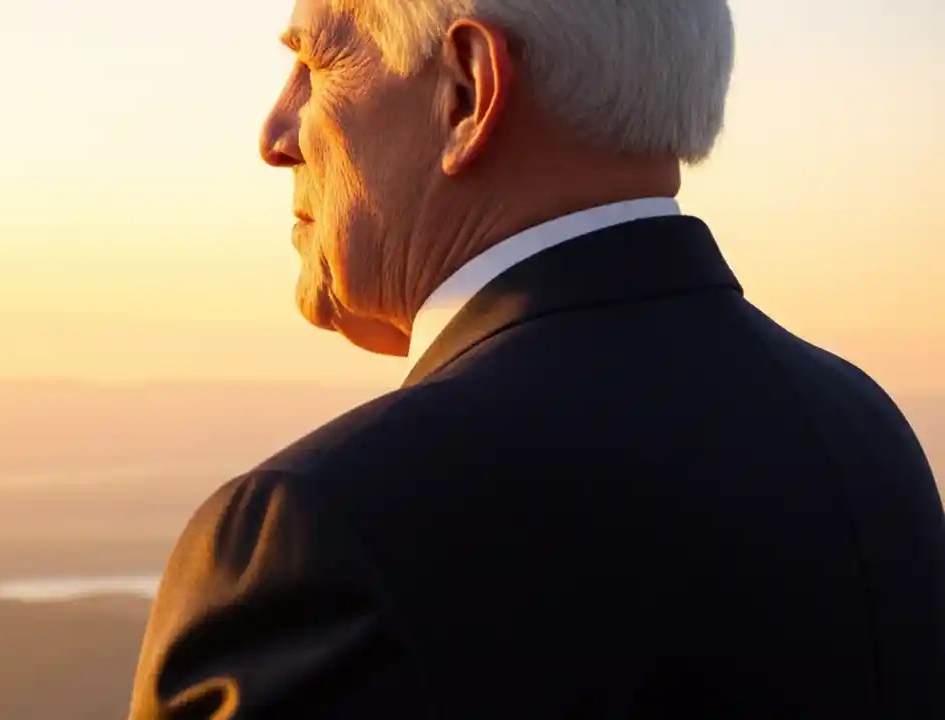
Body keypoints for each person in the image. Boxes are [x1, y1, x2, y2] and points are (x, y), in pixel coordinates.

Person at [127, 0, 945, 717]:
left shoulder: (317, 537)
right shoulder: (862, 433)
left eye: (314, 62)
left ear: (466, 92)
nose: (276, 133)